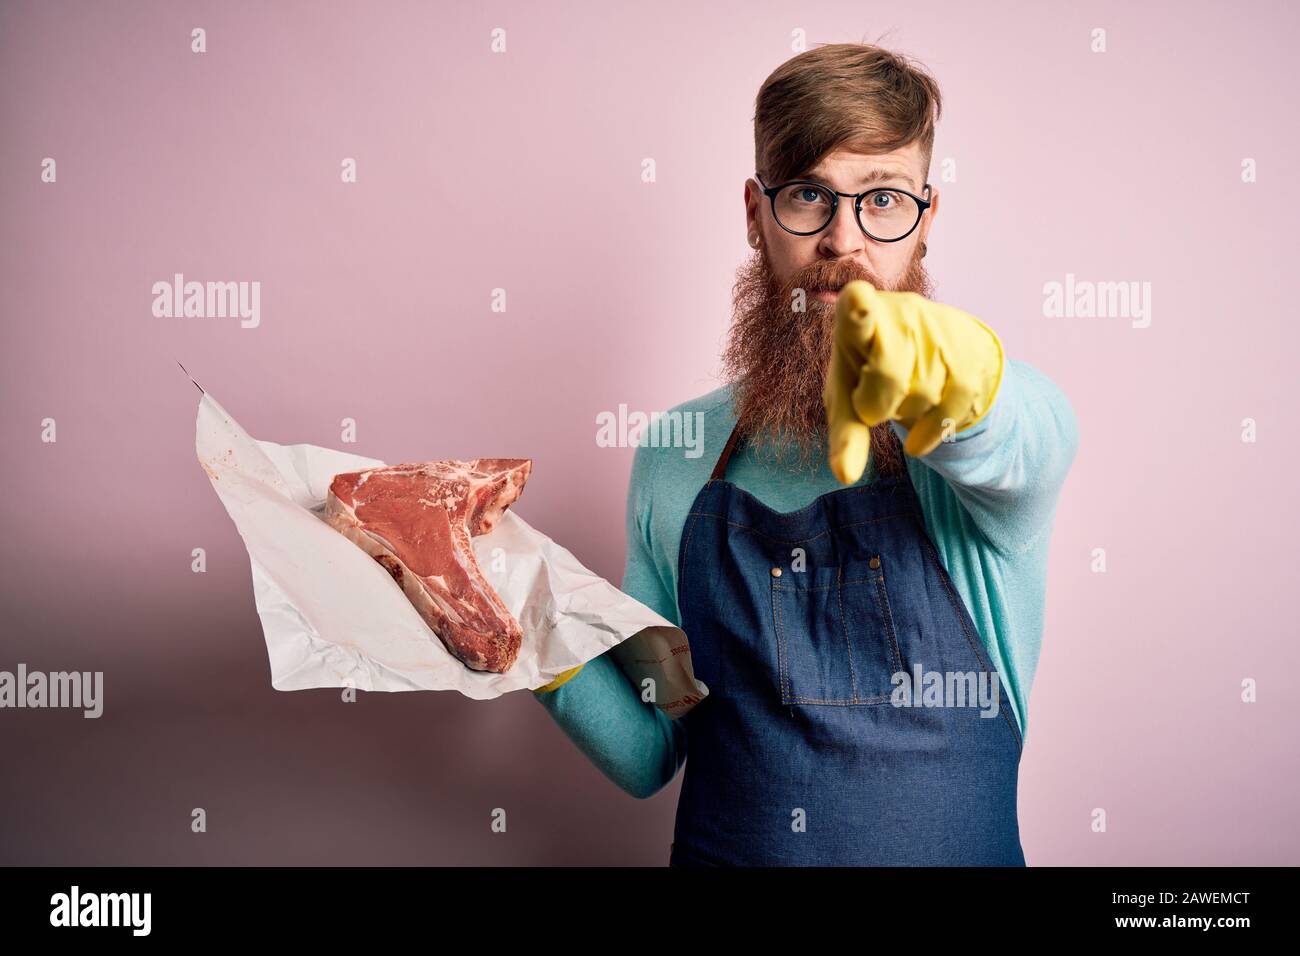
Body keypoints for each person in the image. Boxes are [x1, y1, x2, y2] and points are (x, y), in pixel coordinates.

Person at [531, 41, 1078, 866]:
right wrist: (514, 626)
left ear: (926, 220)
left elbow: (1024, 431)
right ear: (755, 212)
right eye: (808, 196)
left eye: (882, 199)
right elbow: (651, 748)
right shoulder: (677, 456)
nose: (842, 240)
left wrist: (957, 365)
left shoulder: (978, 442)